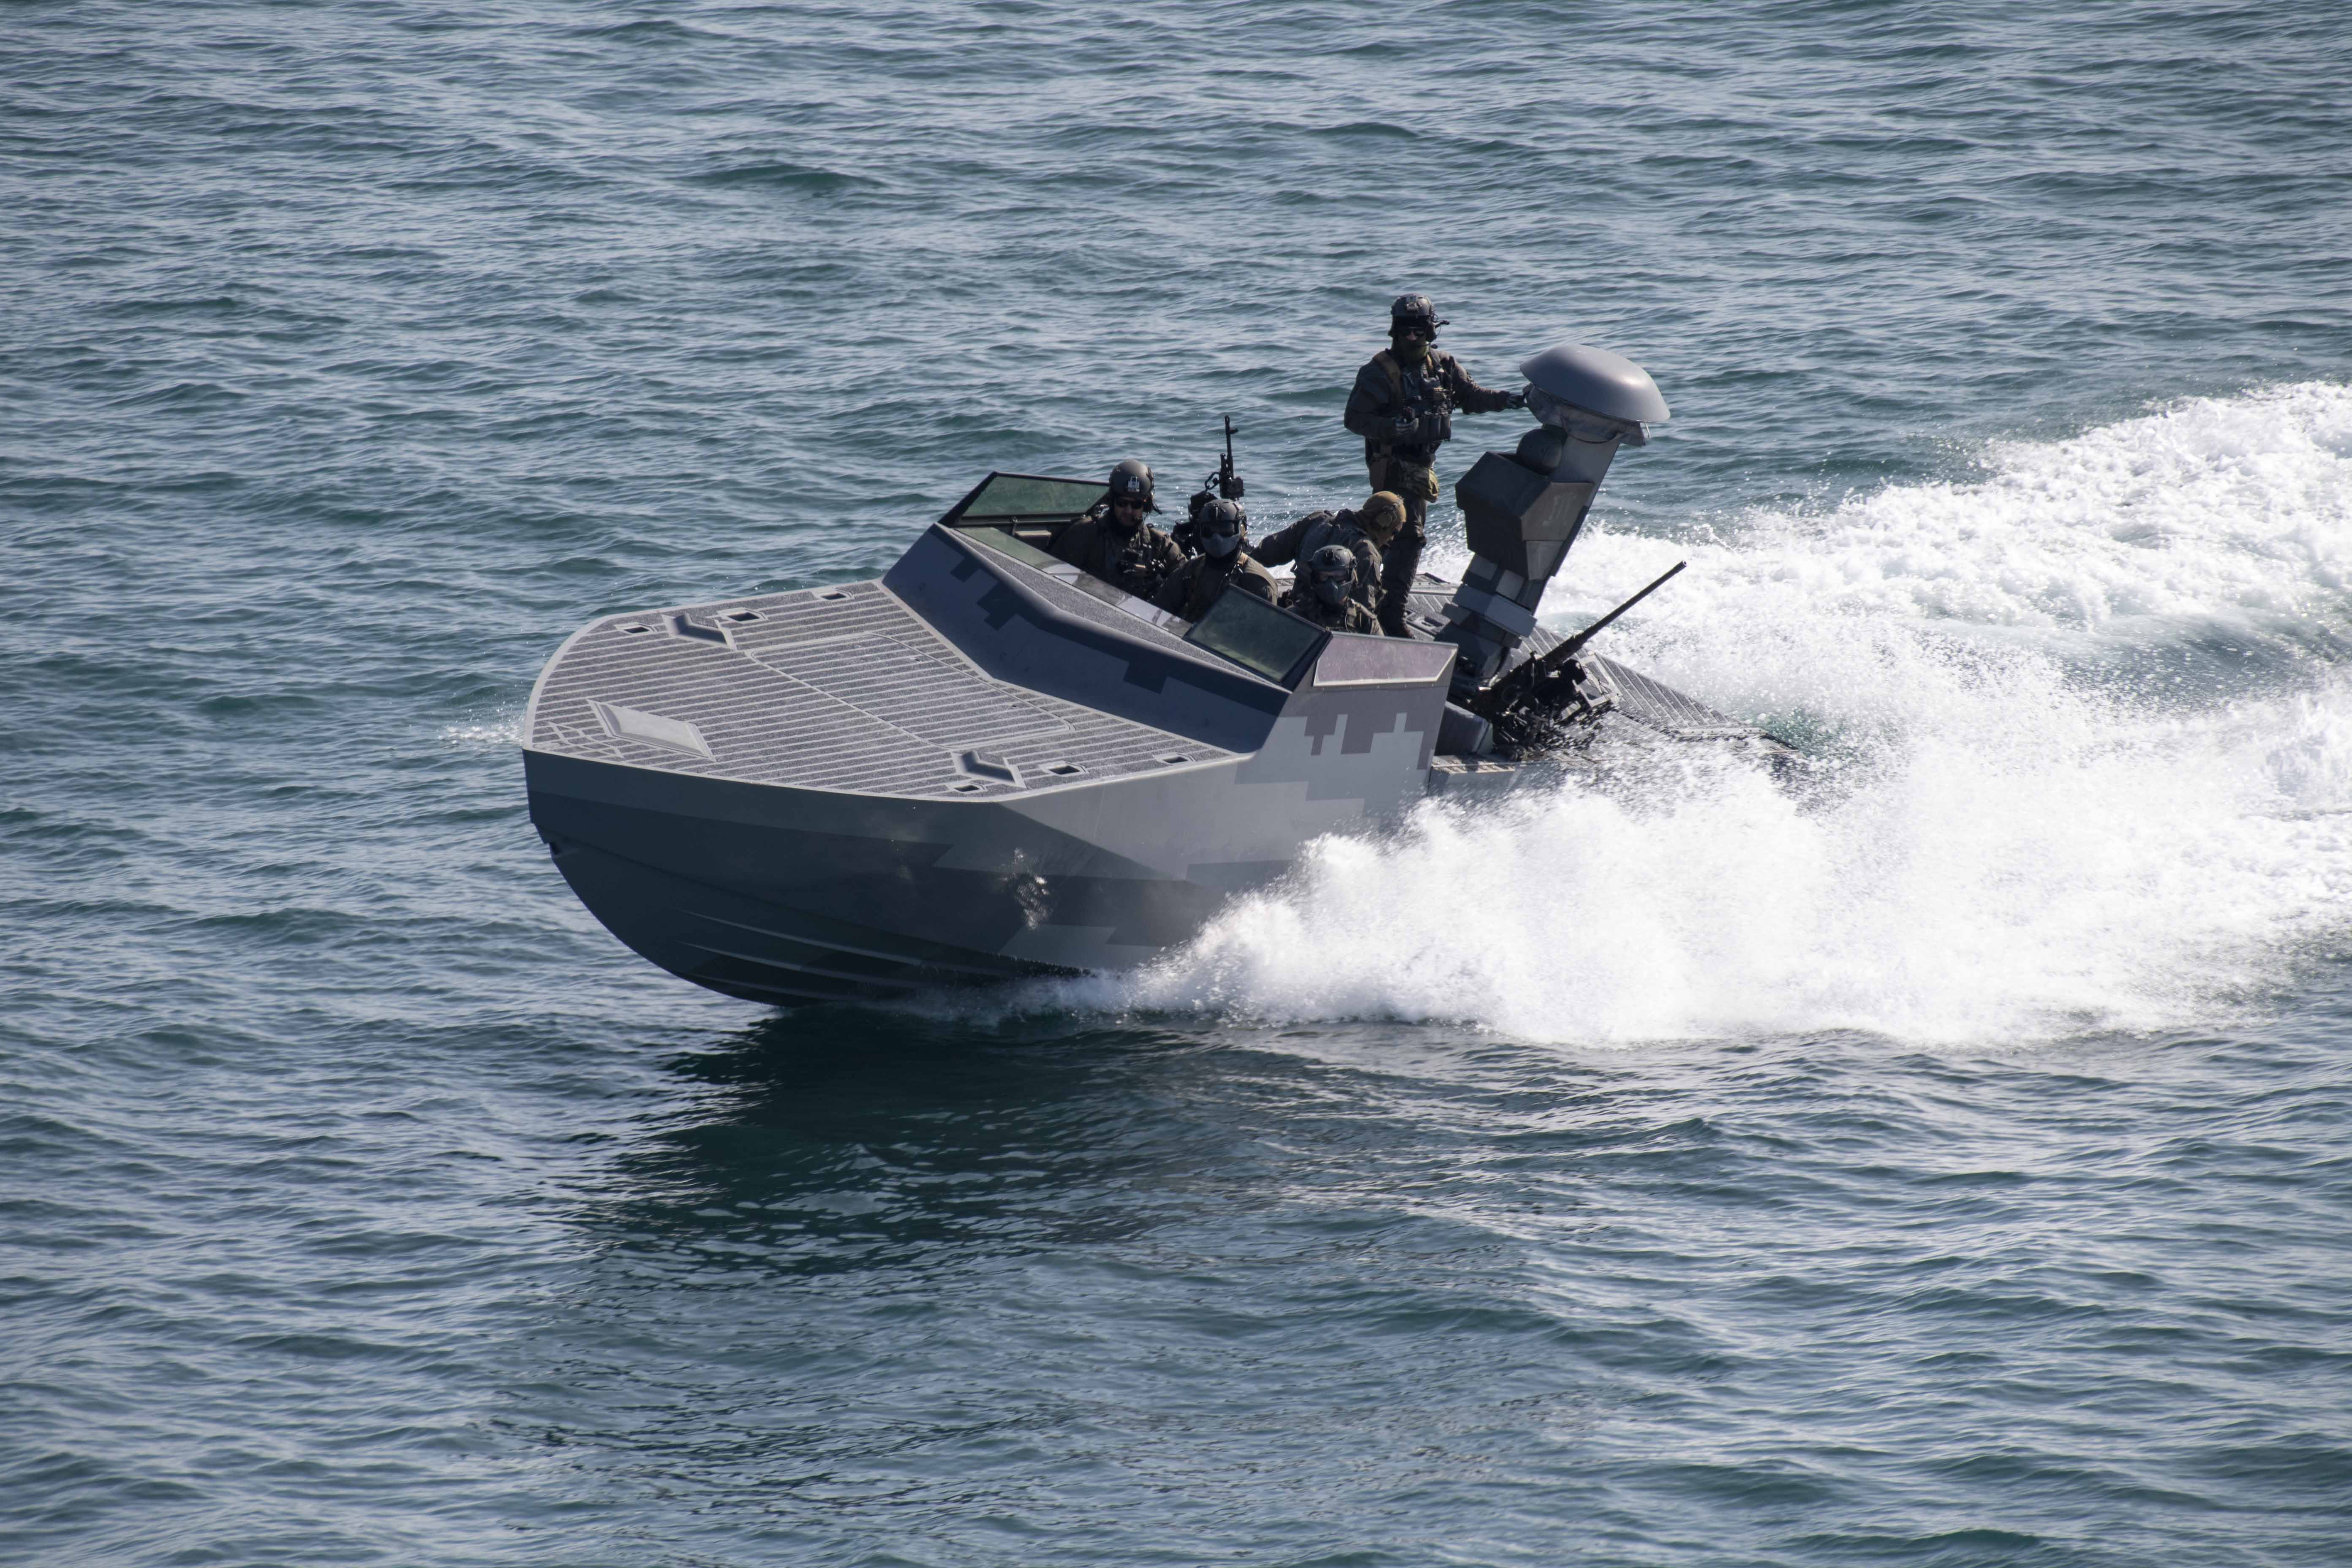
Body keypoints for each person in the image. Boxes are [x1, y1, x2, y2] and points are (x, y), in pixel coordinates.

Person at [1342, 293, 1525, 634]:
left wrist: (1507, 400)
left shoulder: (1442, 366)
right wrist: (1391, 428)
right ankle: (1390, 613)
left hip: (1423, 465)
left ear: (1431, 332)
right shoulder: (1378, 374)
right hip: (1392, 465)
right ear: (1395, 332)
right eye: (1405, 332)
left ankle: (1368, 594)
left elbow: (1470, 395)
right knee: (1408, 538)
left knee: (1395, 537)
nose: (1412, 339)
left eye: (1419, 332)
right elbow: (1354, 418)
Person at [1049, 458, 1187, 600]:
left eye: (1136, 505)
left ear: (1146, 506)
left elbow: (1188, 578)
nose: (1128, 511)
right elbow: (1050, 579)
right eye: (1122, 503)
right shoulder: (1085, 534)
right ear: (1112, 501)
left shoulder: (1159, 544)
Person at [1250, 490, 1403, 611]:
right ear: (1383, 522)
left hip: (1294, 610)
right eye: (1394, 532)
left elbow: (1268, 552)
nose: (1392, 539)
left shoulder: (1317, 521)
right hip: (1328, 630)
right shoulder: (1367, 552)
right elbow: (1364, 610)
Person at [1153, 498, 1277, 621]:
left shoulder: (1258, 583)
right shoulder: (1189, 571)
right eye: (1210, 531)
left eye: (1225, 530)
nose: (1217, 538)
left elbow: (1265, 634)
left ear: (1242, 530)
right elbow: (1157, 612)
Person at [1281, 543, 1380, 633]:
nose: (1332, 584)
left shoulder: (1364, 620)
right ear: (1315, 578)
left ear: (1351, 577)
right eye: (1325, 577)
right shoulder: (1295, 617)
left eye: (1338, 577)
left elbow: (1384, 651)